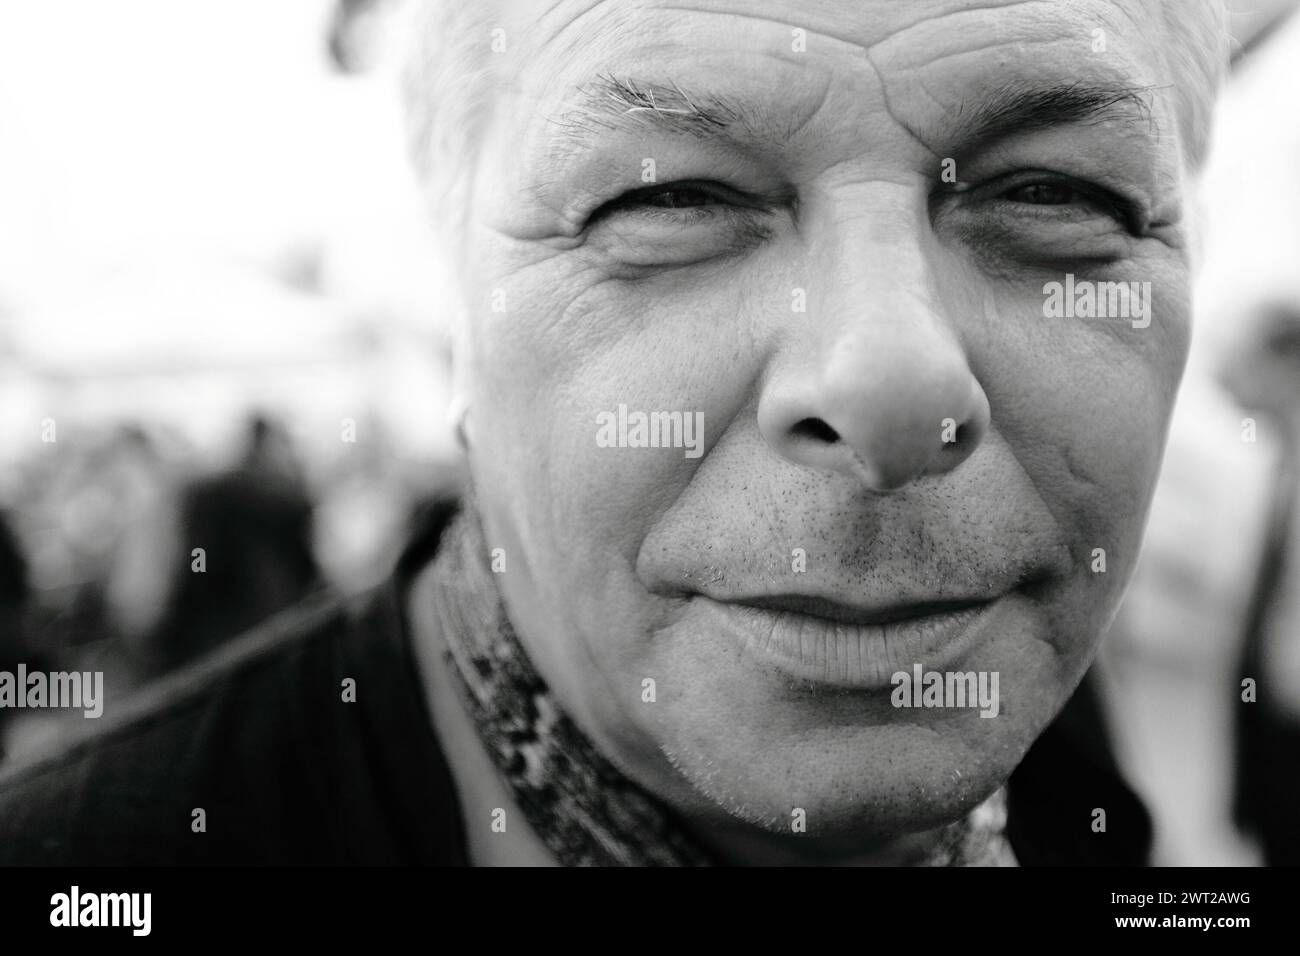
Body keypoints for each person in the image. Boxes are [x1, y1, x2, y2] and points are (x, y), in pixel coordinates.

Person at [0, 0, 1230, 866]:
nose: (888, 384)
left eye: (1052, 194)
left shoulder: (1065, 753)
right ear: (455, 308)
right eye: (669, 196)